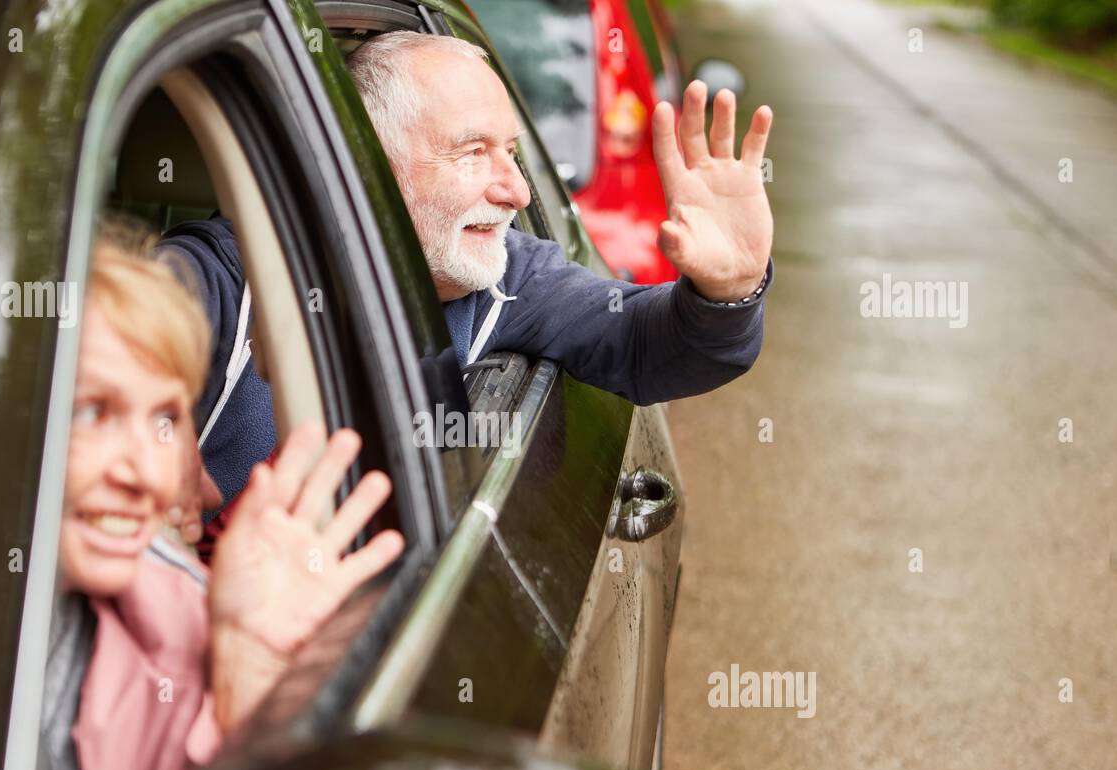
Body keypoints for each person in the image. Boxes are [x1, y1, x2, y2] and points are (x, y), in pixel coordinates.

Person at [160, 31, 775, 511]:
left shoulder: (507, 278)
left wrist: (728, 290)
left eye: (512, 152)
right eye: (473, 152)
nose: (517, 191)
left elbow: (645, 343)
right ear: (363, 165)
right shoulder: (210, 285)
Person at [42, 229, 404, 770]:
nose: (147, 475)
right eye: (93, 412)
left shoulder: (192, 621)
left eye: (165, 419)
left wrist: (243, 683)